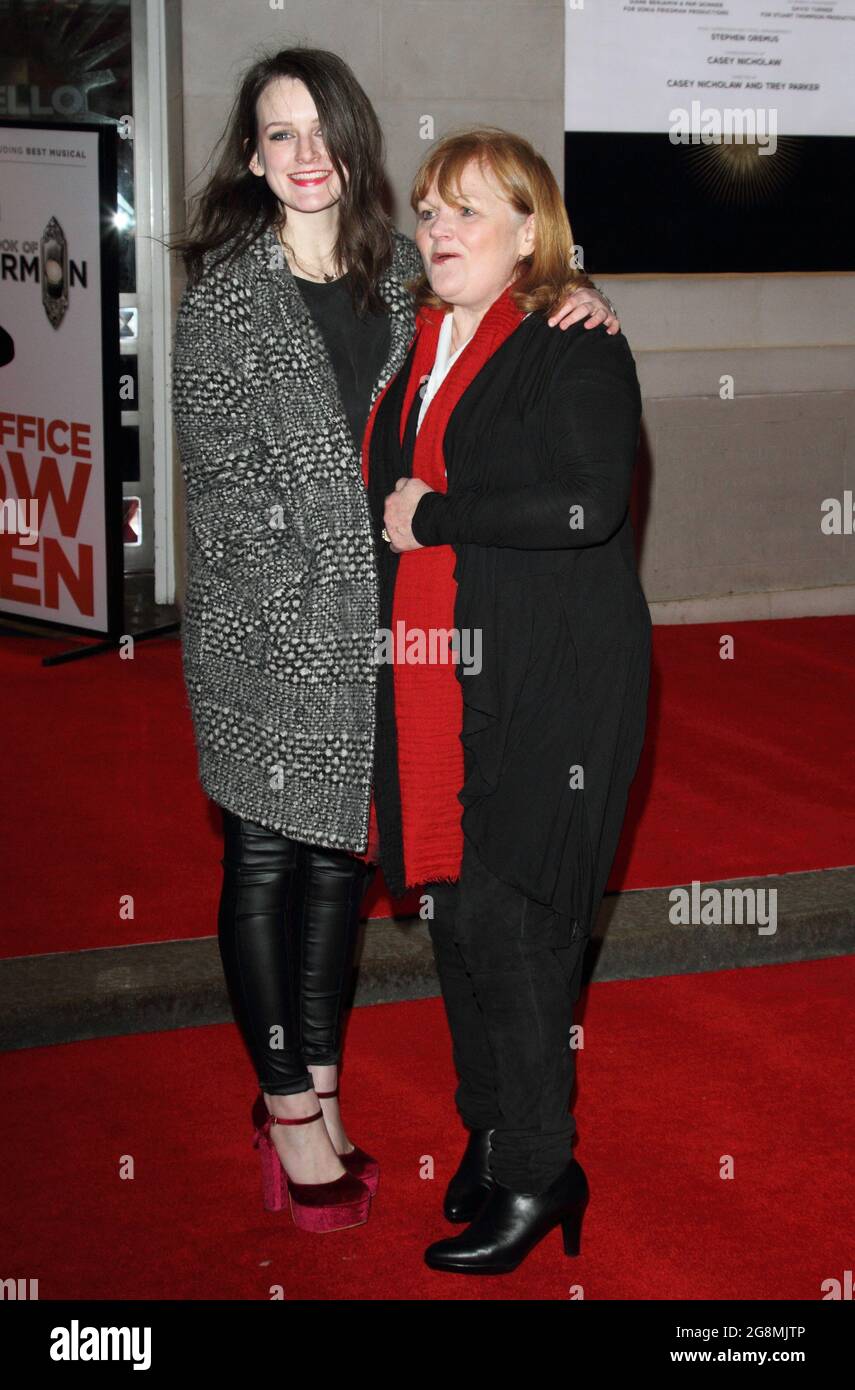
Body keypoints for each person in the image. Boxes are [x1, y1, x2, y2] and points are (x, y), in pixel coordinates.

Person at [171, 47, 620, 1235]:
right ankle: (286, 1107)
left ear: (353, 143)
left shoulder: (397, 291)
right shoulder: (222, 300)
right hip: (270, 638)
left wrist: (574, 290)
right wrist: (337, 601)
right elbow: (217, 498)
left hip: (384, 644)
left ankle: (320, 1082)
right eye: (278, 135)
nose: (304, 154)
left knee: (339, 871)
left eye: (321, 130)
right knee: (268, 864)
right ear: (255, 161)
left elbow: (496, 349)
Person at [365, 127, 652, 1273]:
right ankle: (492, 1126)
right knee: (458, 920)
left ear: (530, 232)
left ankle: (541, 1171)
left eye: (470, 212)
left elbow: (589, 507)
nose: (440, 231)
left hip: (554, 686)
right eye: (431, 211)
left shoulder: (571, 345)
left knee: (513, 926)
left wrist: (435, 518)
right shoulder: (422, 338)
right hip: (448, 672)